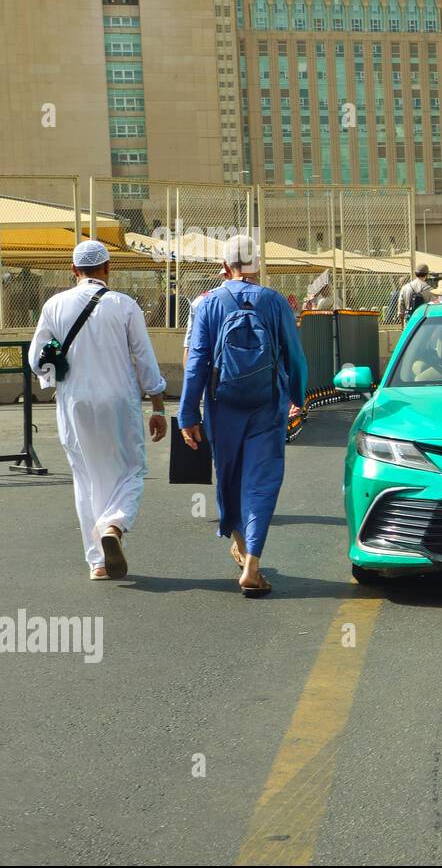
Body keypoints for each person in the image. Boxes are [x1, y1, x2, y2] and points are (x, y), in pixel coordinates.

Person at [28, 241, 168, 580]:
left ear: (74, 271)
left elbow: (36, 360)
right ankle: (114, 526)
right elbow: (144, 357)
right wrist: (158, 403)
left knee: (85, 477)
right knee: (131, 469)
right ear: (108, 268)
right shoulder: (125, 305)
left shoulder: (54, 305)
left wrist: (52, 378)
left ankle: (98, 563)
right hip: (119, 400)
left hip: (74, 401)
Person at [178, 236, 308, 598]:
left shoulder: (209, 304)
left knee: (230, 475)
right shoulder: (275, 301)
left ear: (225, 267)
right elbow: (295, 357)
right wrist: (298, 397)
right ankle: (252, 565)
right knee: (262, 481)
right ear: (257, 266)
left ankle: (238, 541)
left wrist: (188, 414)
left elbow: (197, 364)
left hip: (222, 405)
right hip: (267, 404)